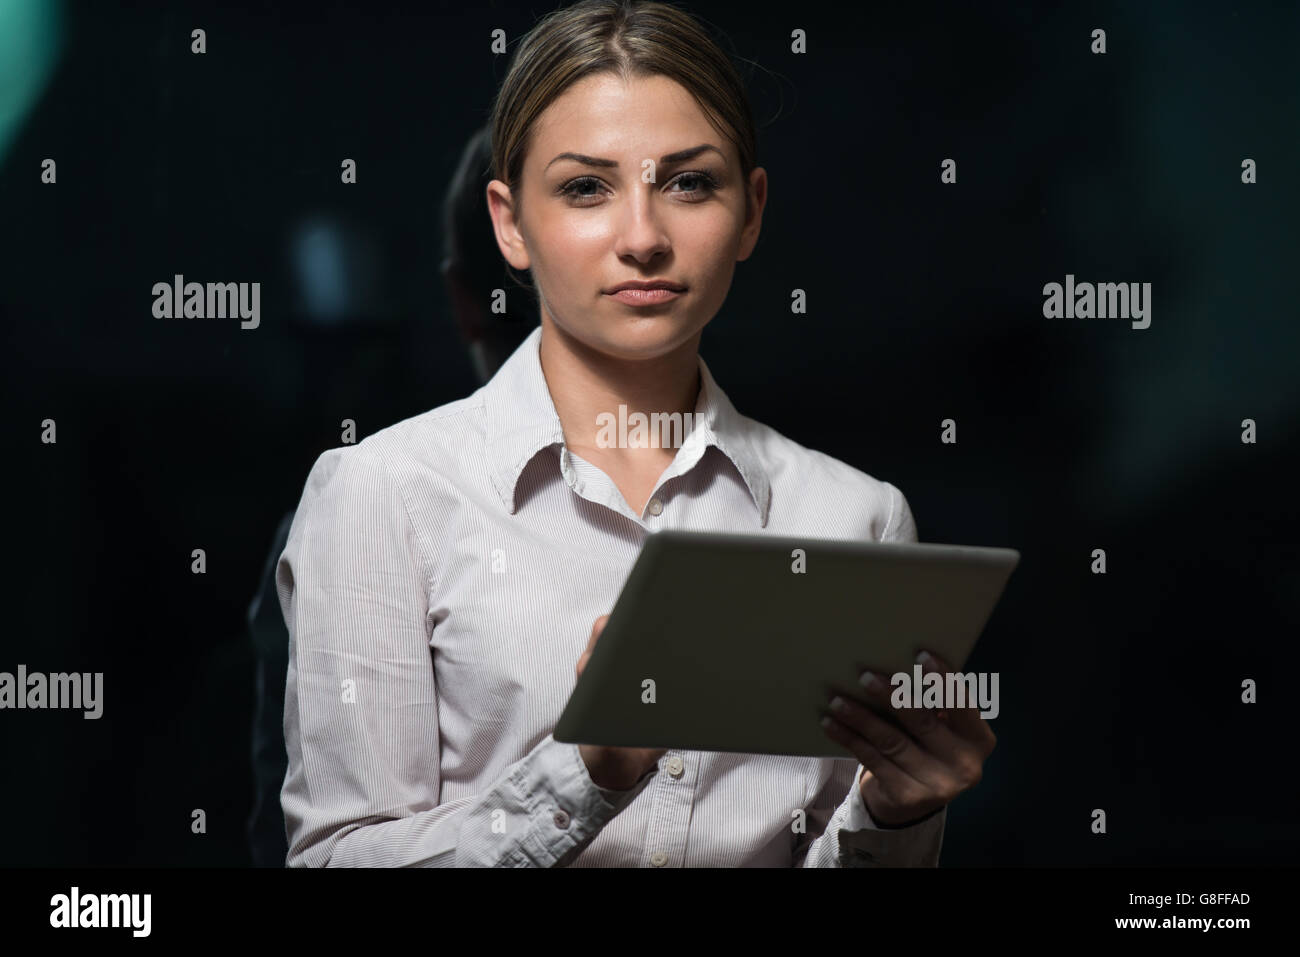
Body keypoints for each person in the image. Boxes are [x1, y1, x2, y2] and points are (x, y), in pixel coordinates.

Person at [277, 0, 994, 867]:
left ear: (752, 211)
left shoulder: (856, 515)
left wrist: (899, 811)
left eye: (690, 182)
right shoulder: (383, 493)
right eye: (586, 187)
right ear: (509, 222)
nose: (644, 238)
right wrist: (589, 766)